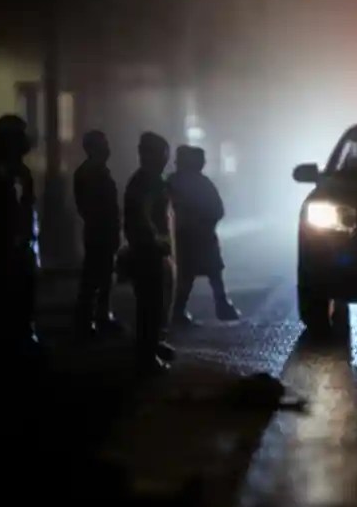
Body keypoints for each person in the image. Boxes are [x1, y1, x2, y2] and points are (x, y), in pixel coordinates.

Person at [168, 145, 239, 326]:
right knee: (207, 273)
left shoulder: (173, 182)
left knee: (192, 274)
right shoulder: (199, 183)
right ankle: (219, 306)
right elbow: (217, 209)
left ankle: (180, 310)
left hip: (188, 236)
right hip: (198, 236)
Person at [125, 132, 177, 373]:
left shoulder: (152, 180)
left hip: (156, 251)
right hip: (149, 253)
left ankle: (154, 344)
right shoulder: (146, 182)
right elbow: (142, 217)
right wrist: (155, 241)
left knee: (160, 300)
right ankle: (146, 355)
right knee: (151, 303)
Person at [0, 115, 41, 356]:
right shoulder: (0, 175)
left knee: (25, 295)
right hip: (10, 250)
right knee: (10, 297)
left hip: (24, 246)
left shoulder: (20, 172)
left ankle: (23, 335)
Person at [73, 130, 123, 338]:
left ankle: (99, 316)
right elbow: (92, 205)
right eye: (103, 144)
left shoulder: (96, 171)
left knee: (102, 275)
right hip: (99, 230)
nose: (107, 149)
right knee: (95, 275)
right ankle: (90, 319)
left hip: (102, 229)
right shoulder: (91, 173)